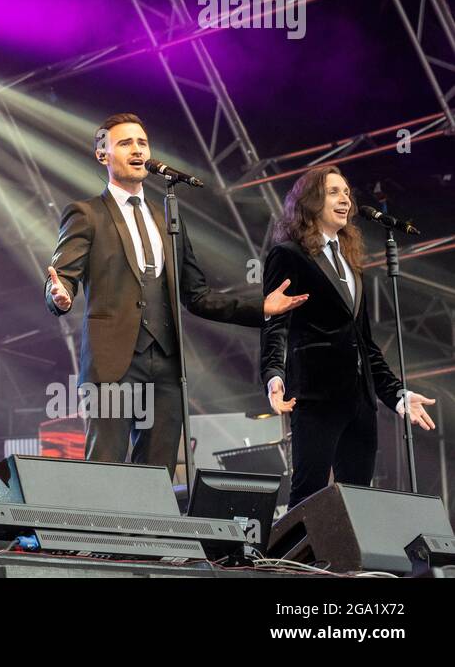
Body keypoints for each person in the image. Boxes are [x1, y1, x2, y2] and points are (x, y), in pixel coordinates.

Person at [45, 112, 306, 476]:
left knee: (159, 471)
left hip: (166, 364)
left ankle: (150, 534)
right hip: (113, 363)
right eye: (124, 143)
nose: (137, 150)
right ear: (102, 155)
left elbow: (196, 294)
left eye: (142, 143)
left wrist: (260, 307)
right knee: (105, 466)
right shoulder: (86, 214)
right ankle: (100, 533)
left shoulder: (167, 216)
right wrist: (61, 295)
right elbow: (63, 277)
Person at [260, 165, 435, 507]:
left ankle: (349, 563)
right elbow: (274, 322)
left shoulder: (351, 260)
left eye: (347, 193)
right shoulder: (289, 254)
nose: (345, 199)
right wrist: (273, 375)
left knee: (357, 499)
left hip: (360, 400)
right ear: (311, 202)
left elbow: (364, 341)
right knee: (308, 494)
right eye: (333, 192)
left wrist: (396, 394)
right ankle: (290, 560)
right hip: (316, 395)